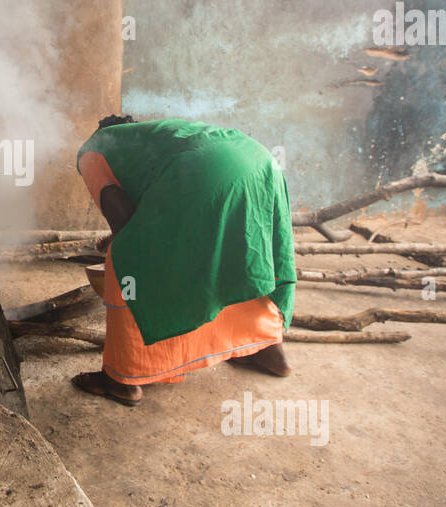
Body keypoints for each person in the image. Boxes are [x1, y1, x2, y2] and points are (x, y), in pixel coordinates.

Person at [71, 115, 297, 405]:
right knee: (245, 257)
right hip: (260, 165)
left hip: (209, 177)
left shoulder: (93, 151)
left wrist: (117, 242)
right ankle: (267, 349)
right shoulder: (158, 134)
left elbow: (125, 223)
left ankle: (121, 379)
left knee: (125, 262)